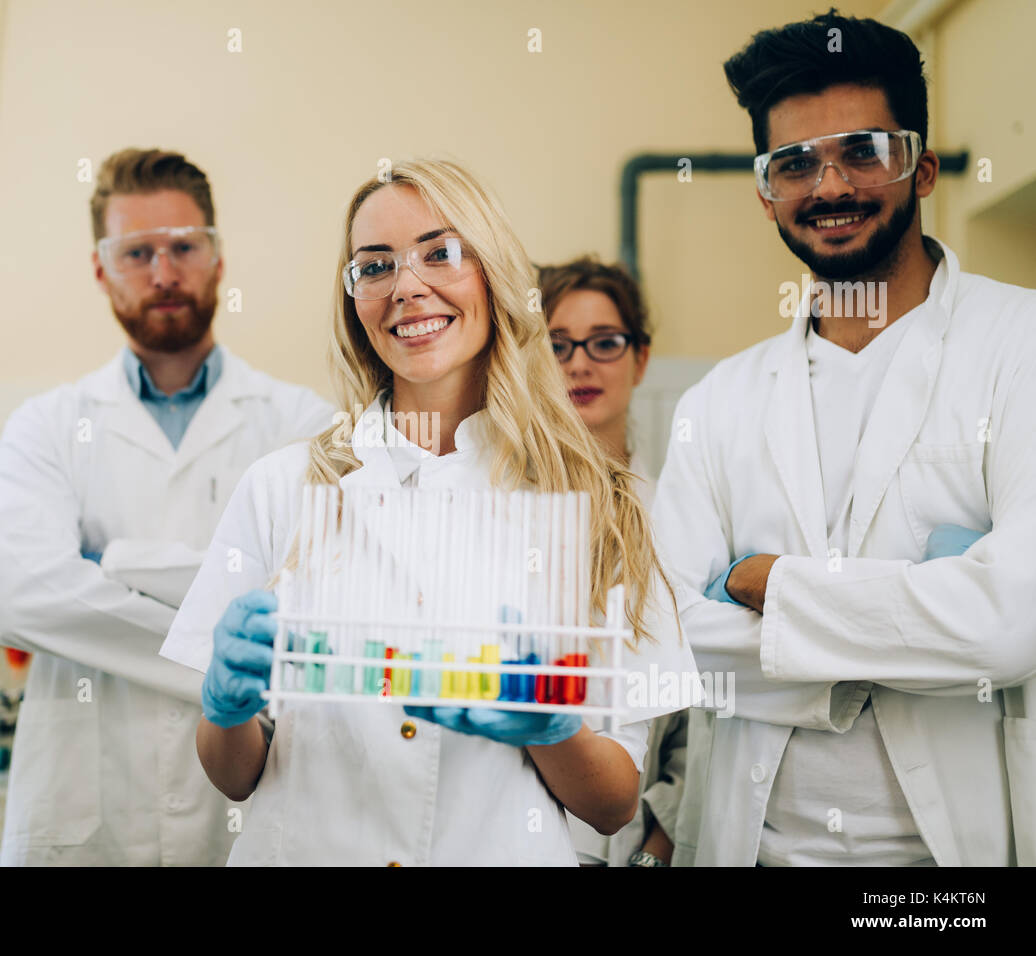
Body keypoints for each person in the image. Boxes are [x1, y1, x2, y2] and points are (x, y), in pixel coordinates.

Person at [159, 159, 702, 865]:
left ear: (495, 274)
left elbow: (613, 804)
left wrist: (549, 727)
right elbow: (232, 776)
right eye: (374, 265)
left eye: (440, 253)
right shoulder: (283, 487)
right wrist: (224, 708)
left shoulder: (603, 508)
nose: (406, 287)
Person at [651, 11, 1036, 866]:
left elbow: (1012, 623)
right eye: (794, 164)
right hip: (753, 849)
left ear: (922, 165)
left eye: (863, 150)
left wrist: (770, 584)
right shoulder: (720, 402)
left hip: (946, 876)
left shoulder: (1021, 345)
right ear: (766, 193)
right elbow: (673, 638)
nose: (829, 187)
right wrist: (919, 606)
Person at [0, 148, 333, 866]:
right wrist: (225, 653)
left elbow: (318, 602)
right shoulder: (46, 426)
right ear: (100, 269)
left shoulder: (303, 425)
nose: (164, 272)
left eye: (184, 246)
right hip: (83, 817)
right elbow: (21, 597)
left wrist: (108, 565)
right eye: (137, 251)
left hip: (242, 810)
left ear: (218, 258)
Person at [540, 256, 686, 868]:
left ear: (641, 357)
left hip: (630, 843)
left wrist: (657, 846)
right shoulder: (509, 506)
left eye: (604, 343)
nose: (579, 363)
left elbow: (701, 720)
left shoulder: (679, 512)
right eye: (558, 345)